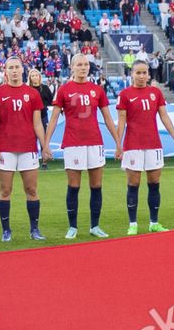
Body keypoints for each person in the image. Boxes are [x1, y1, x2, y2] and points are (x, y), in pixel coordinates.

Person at [44, 53, 121, 239]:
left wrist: (119, 142)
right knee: (73, 186)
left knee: (96, 185)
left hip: (95, 142)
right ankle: (73, 227)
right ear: (72, 67)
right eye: (79, 64)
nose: (83, 67)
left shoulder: (97, 90)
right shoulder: (64, 90)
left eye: (86, 64)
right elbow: (54, 118)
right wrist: (46, 144)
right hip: (73, 143)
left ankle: (95, 226)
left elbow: (108, 118)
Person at [117, 58, 174, 234]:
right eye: (138, 72)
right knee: (133, 184)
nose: (141, 76)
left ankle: (153, 222)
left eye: (144, 72)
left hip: (153, 144)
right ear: (132, 74)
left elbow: (164, 117)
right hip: (133, 145)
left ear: (148, 74)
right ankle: (133, 224)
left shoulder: (156, 93)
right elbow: (122, 122)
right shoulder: (125, 94)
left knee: (154, 183)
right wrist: (119, 145)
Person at [0, 56, 47, 241]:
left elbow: (37, 124)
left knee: (31, 189)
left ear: (23, 69)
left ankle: (34, 229)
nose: (14, 70)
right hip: (5, 149)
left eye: (17, 67)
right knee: (5, 190)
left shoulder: (33, 94)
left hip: (28, 147)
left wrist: (44, 146)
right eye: (10, 67)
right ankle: (6, 230)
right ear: (5, 71)